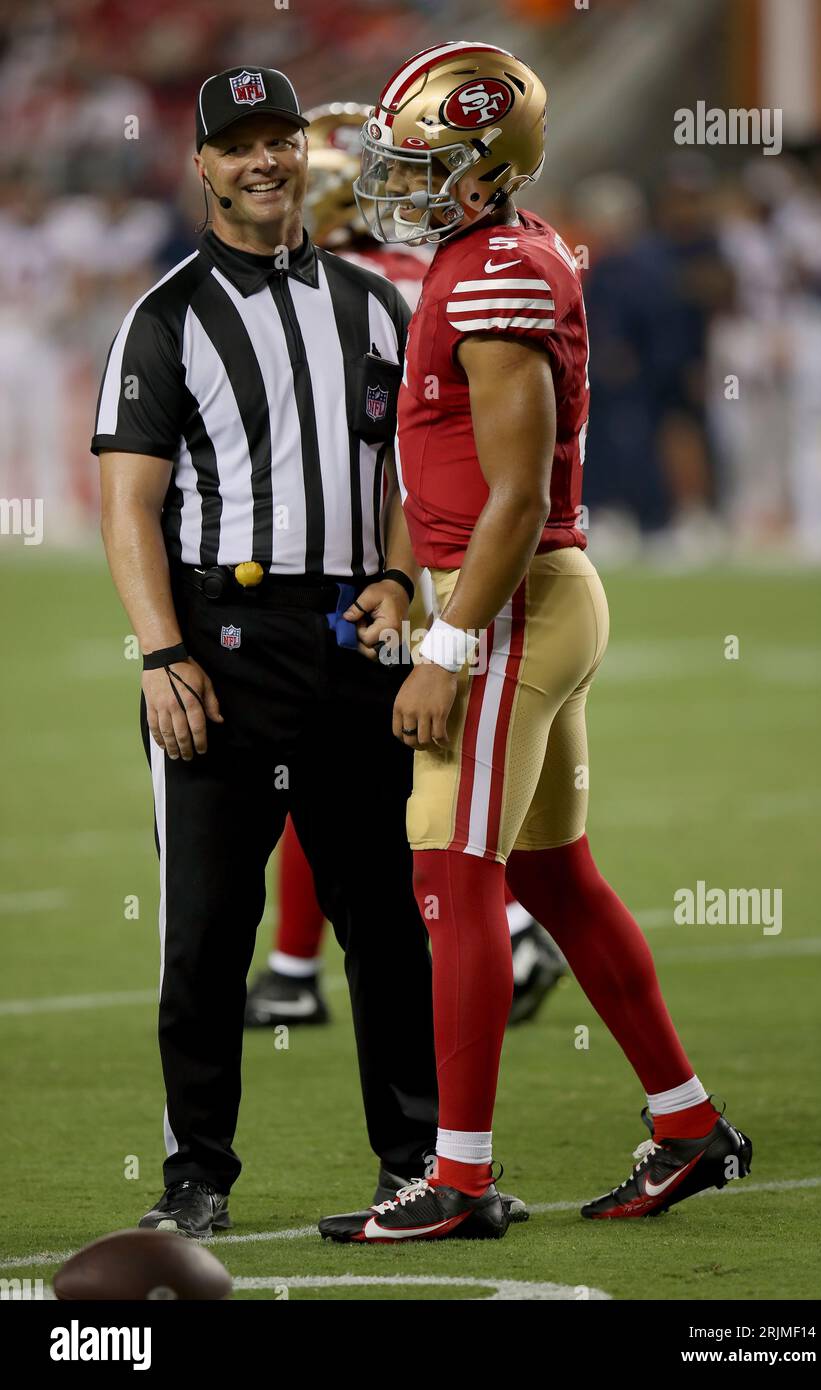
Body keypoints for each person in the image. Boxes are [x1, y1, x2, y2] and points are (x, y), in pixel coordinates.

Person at [319, 41, 752, 1243]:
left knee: (451, 874)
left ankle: (455, 1179)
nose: (401, 179)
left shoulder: (492, 271)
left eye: (428, 161)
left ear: (485, 168)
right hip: (504, 589)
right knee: (553, 872)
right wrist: (410, 580)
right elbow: (451, 472)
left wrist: (444, 649)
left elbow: (511, 497)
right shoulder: (487, 250)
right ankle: (686, 1126)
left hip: (512, 601)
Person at [94, 65, 523, 1239]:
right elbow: (127, 505)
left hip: (353, 631)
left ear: (303, 156)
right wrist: (158, 653)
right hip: (217, 646)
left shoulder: (379, 305)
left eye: (278, 139)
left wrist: (394, 577)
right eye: (237, 146)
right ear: (201, 164)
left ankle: (422, 1163)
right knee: (205, 933)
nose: (263, 161)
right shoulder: (165, 315)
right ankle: (196, 1179)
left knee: (387, 919)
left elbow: (406, 475)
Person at [246, 100, 565, 1032]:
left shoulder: (352, 277)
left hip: (392, 546)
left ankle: (491, 931)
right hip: (432, 540)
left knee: (349, 767)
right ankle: (307, 965)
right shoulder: (456, 258)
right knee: (378, 770)